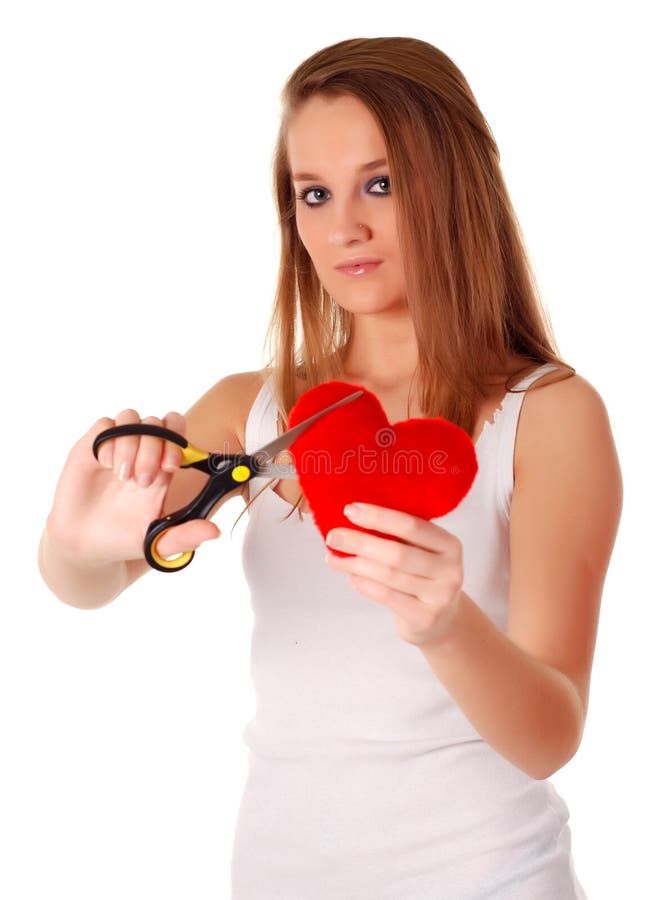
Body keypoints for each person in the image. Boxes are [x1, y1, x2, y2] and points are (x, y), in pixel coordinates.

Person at [39, 36, 622, 900]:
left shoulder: (550, 415)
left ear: (456, 184)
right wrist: (78, 542)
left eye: (380, 184)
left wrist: (446, 628)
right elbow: (88, 581)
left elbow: (552, 734)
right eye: (314, 193)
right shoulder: (250, 411)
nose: (343, 226)